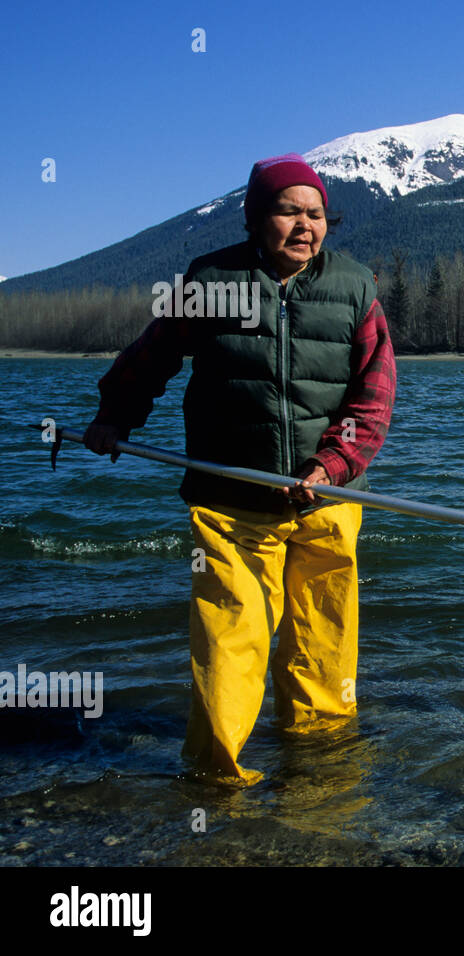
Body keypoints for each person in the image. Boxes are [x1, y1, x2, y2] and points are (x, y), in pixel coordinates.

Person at [84, 153, 397, 785]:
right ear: (257, 217)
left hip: (329, 504)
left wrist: (333, 464)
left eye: (316, 214)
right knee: (231, 645)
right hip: (231, 501)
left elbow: (376, 393)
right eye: (289, 211)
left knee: (324, 646)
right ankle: (215, 776)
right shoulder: (211, 280)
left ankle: (319, 769)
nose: (305, 226)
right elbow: (152, 357)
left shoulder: (356, 286)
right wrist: (116, 414)